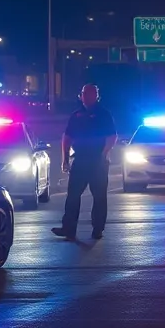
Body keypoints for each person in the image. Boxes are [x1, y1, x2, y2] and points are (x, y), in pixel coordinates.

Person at [52, 84, 117, 241]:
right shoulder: (76, 115)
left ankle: (98, 229)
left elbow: (112, 137)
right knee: (73, 195)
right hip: (80, 159)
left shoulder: (104, 114)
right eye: (84, 93)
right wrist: (65, 160)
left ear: (97, 96)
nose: (87, 96)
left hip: (98, 161)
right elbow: (67, 138)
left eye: (91, 93)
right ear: (80, 95)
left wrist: (103, 154)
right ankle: (68, 229)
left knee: (99, 196)